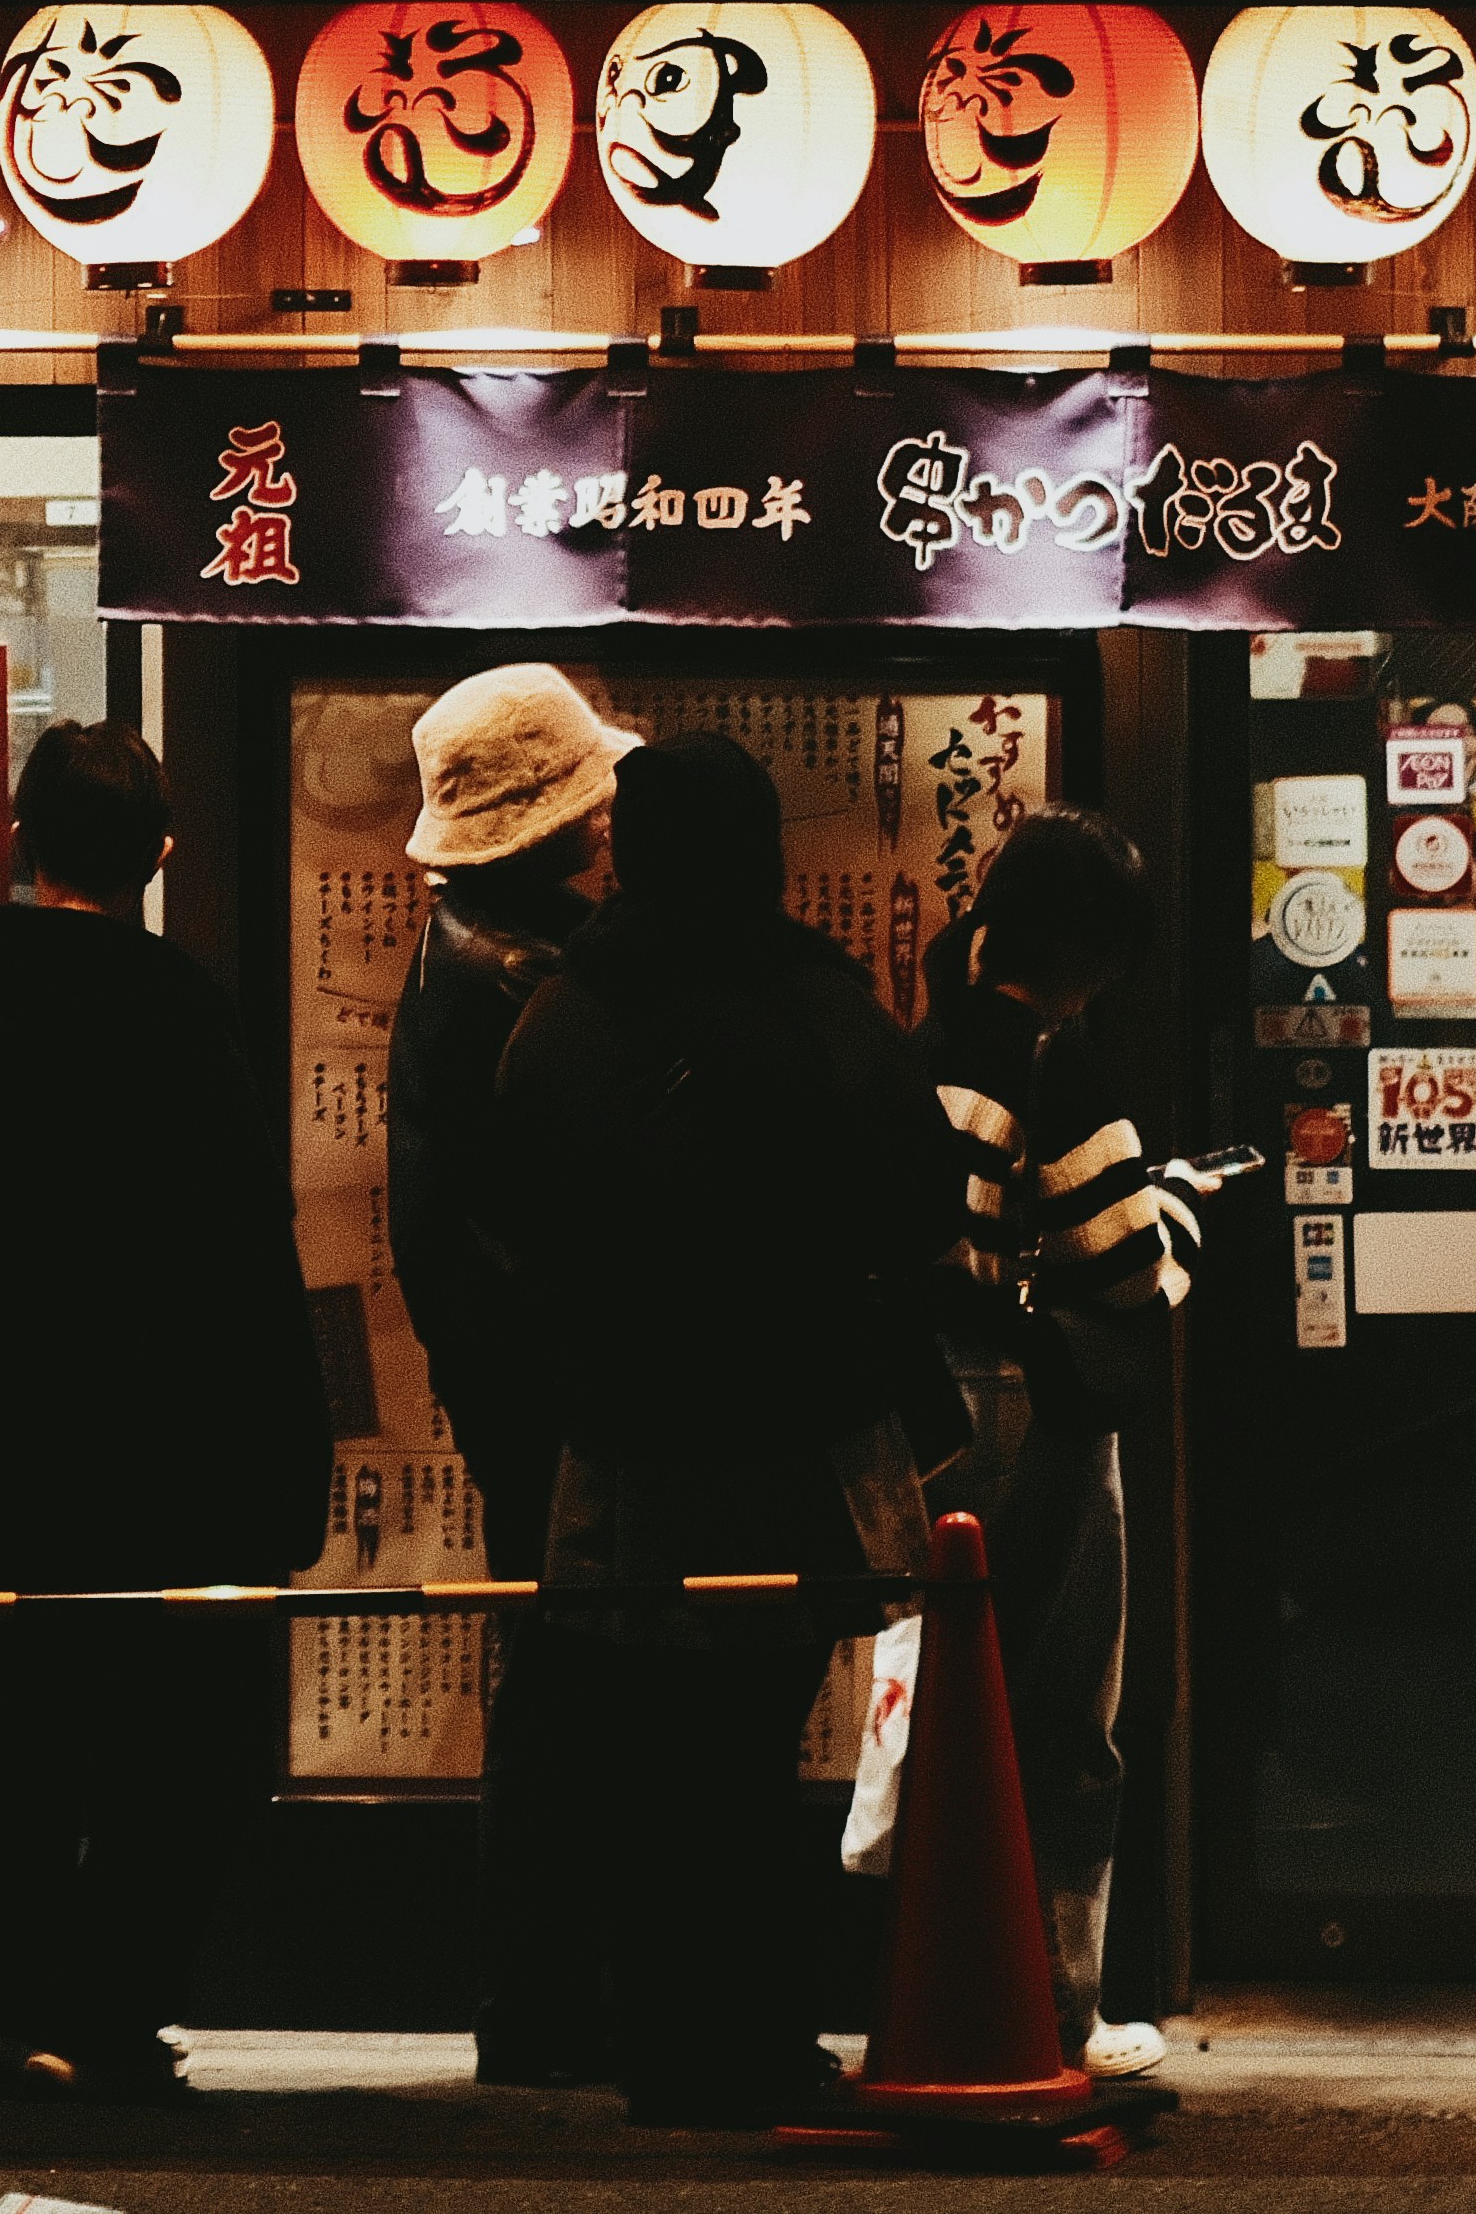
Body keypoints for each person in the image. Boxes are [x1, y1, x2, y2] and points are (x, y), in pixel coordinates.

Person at [487, 731, 949, 2132]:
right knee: (756, 1739)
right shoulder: (822, 1000)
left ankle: (666, 2040)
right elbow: (918, 1203)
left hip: (630, 1437)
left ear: (633, 847)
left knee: (647, 1748)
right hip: (795, 1432)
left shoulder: (567, 1008)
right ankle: (761, 2029)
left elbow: (516, 1215)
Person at [0, 723, 318, 2105]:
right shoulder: (181, 1007)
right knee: (171, 1725)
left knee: (7, 1707)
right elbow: (243, 1247)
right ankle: (107, 2005)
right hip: (155, 1425)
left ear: (21, 838)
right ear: (157, 854)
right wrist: (288, 1445)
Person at [919, 808, 1199, 2081]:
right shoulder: (1052, 1059)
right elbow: (1129, 1270)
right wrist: (1185, 1207)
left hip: (922, 1402)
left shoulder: (922, 1039)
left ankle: (933, 1976)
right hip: (1035, 1409)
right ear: (1096, 949)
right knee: (1060, 1699)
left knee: (942, 1704)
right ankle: (1064, 2003)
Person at [383, 659, 629, 2089]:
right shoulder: (517, 982)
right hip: (551, 1388)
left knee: (557, 1677)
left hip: (511, 1379)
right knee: (565, 1684)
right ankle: (543, 2008)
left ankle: (542, 2003)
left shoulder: (477, 955)